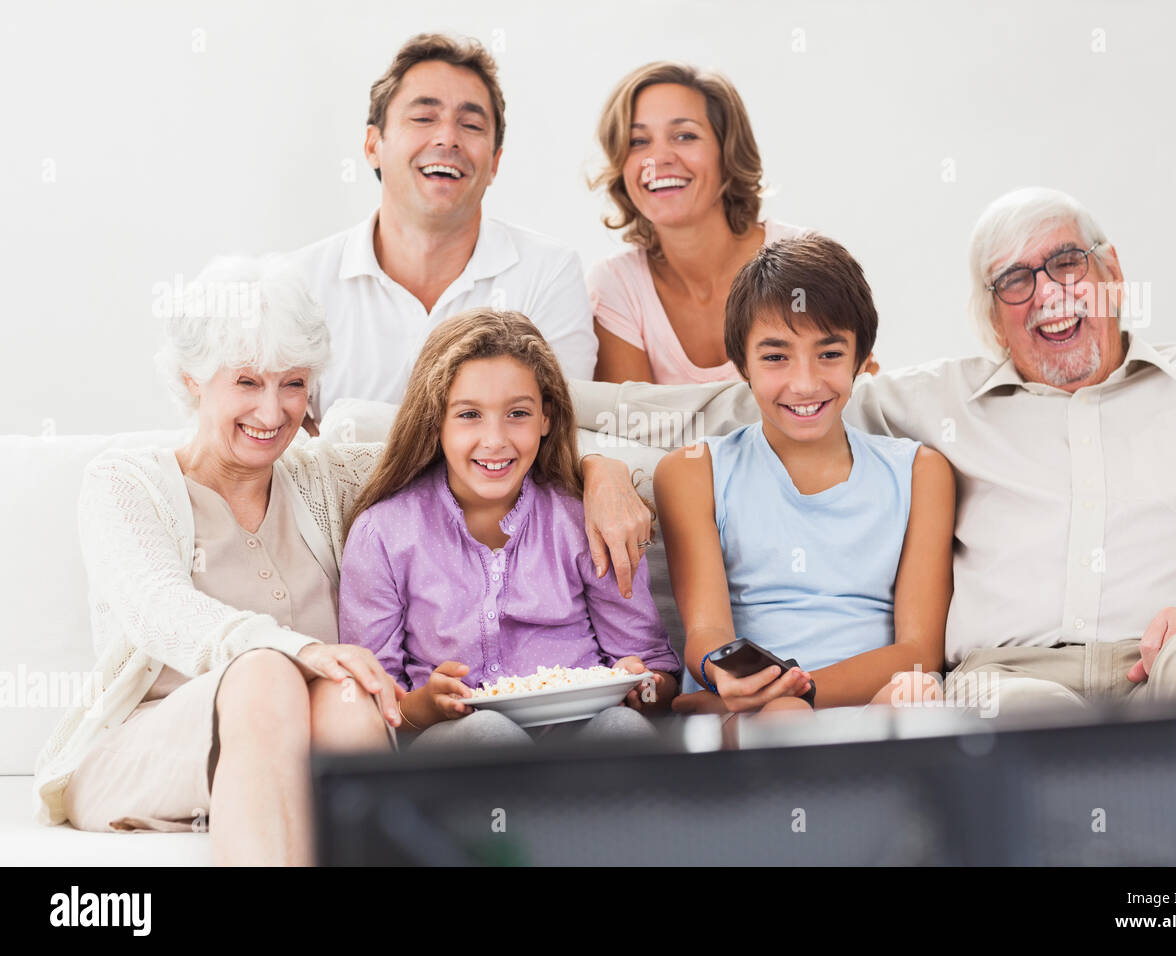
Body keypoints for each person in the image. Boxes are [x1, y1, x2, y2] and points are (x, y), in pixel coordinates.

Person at [572, 187, 1176, 712]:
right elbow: (734, 409)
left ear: (1111, 273)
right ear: (990, 319)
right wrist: (563, 432)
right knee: (1000, 713)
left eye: (1067, 262)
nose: (1048, 292)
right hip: (1011, 677)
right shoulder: (935, 403)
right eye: (1016, 280)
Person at [33, 258, 401, 865]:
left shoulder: (327, 474)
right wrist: (296, 648)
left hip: (298, 730)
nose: (274, 411)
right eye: (248, 382)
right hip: (147, 747)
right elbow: (157, 607)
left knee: (347, 696)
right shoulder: (127, 483)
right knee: (265, 671)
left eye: (293, 382)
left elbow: (468, 429)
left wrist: (598, 472)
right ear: (192, 380)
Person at [337, 308, 681, 746]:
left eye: (517, 413)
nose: (495, 439)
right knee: (489, 733)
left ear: (546, 418)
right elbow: (374, 704)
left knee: (625, 729)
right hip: (458, 746)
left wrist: (642, 686)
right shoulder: (384, 533)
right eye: (468, 415)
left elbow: (657, 677)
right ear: (434, 419)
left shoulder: (586, 519)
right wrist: (425, 704)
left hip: (579, 739)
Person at [655, 235, 952, 715]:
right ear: (742, 366)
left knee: (914, 695)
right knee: (784, 716)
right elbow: (707, 634)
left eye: (829, 354)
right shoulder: (693, 472)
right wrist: (728, 675)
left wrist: (803, 691)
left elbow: (919, 652)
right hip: (749, 710)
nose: (805, 383)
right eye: (775, 357)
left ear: (861, 359)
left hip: (866, 700)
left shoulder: (919, 472)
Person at [286, 33, 597, 430]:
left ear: (495, 162)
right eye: (423, 118)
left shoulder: (548, 272)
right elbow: (286, 447)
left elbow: (554, 434)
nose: (448, 138)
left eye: (470, 124)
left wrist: (348, 428)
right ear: (372, 145)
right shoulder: (300, 282)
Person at [588, 62, 875, 385]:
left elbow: (843, 399)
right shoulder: (616, 285)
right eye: (638, 141)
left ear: (728, 152)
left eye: (685, 136)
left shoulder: (808, 261)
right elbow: (632, 427)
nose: (658, 158)